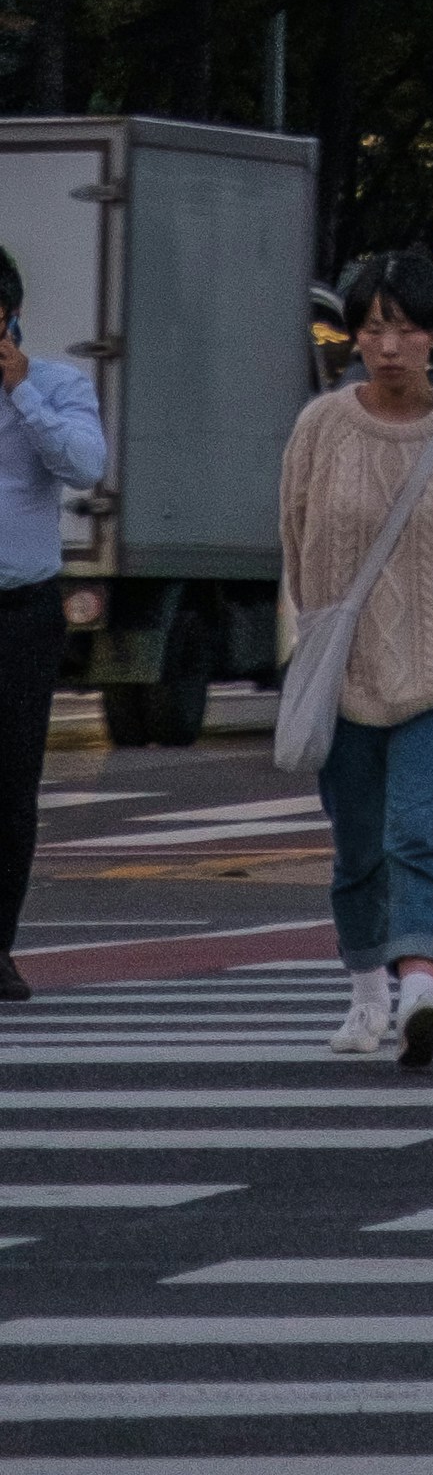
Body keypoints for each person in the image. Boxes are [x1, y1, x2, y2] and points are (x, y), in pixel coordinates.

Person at [281, 246, 433, 1067]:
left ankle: (421, 987)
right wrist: (323, 636)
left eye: (406, 329)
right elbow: (297, 545)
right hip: (343, 672)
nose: (388, 346)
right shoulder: (321, 426)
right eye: (373, 328)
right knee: (357, 846)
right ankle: (367, 989)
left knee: (419, 831)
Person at [0, 230, 105, 1005]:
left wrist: (20, 393)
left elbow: (84, 465)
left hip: (20, 612)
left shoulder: (59, 386)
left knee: (10, 788)